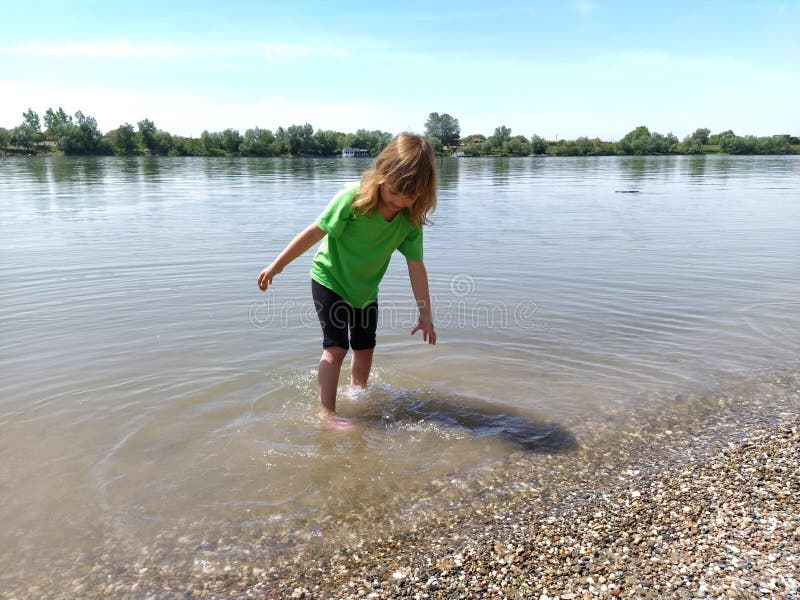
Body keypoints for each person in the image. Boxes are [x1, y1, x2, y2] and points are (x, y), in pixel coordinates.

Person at [257, 133, 437, 426]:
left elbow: (416, 266)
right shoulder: (353, 200)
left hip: (365, 289)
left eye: (411, 197)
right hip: (330, 278)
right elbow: (315, 232)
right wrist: (277, 266)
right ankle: (327, 415)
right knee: (337, 347)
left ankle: (357, 395)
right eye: (394, 192)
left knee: (365, 347)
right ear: (381, 176)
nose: (399, 202)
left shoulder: (409, 219)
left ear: (423, 194)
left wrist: (425, 313)